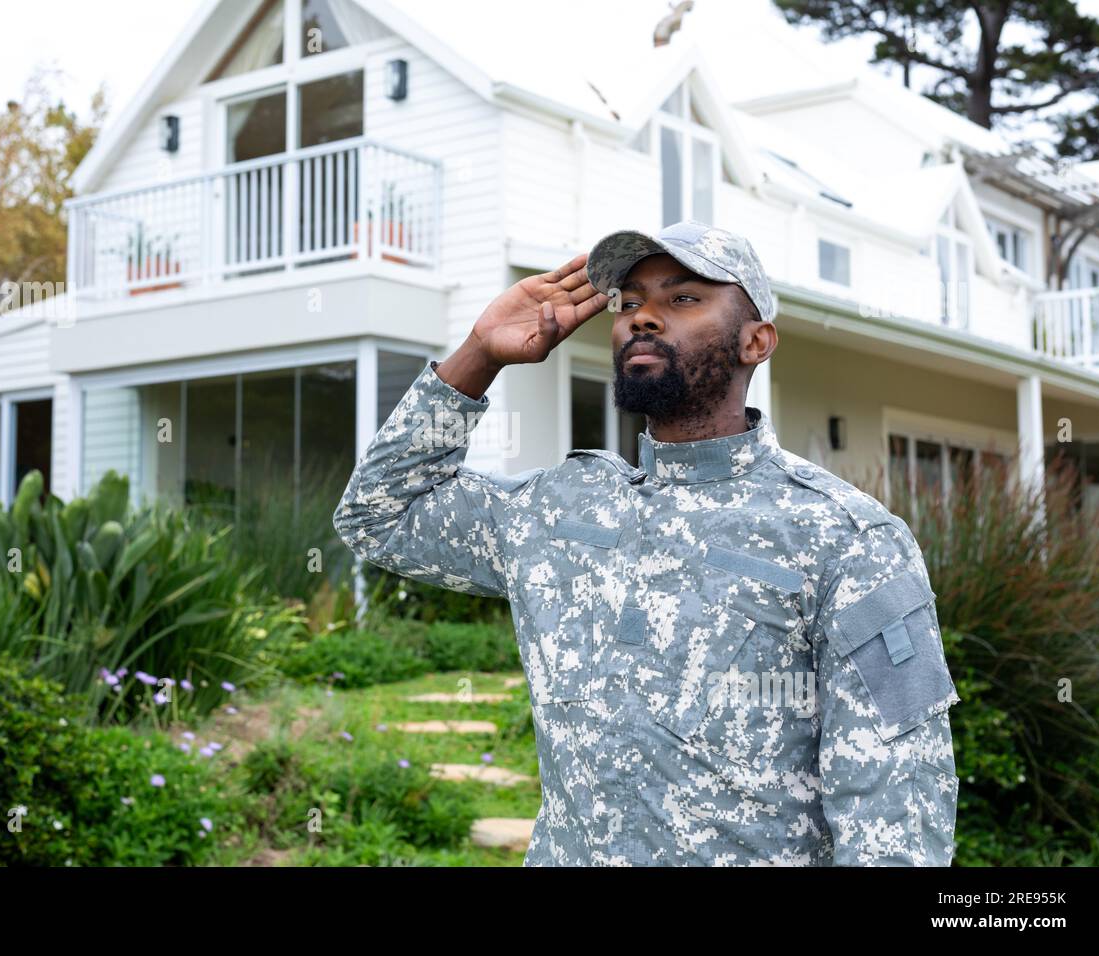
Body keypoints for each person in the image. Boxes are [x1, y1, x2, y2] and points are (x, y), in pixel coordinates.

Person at [333, 219, 960, 866]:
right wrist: (480, 353)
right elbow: (379, 517)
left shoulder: (846, 540)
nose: (643, 318)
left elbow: (897, 822)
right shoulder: (555, 512)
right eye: (629, 302)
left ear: (757, 341)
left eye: (682, 298)